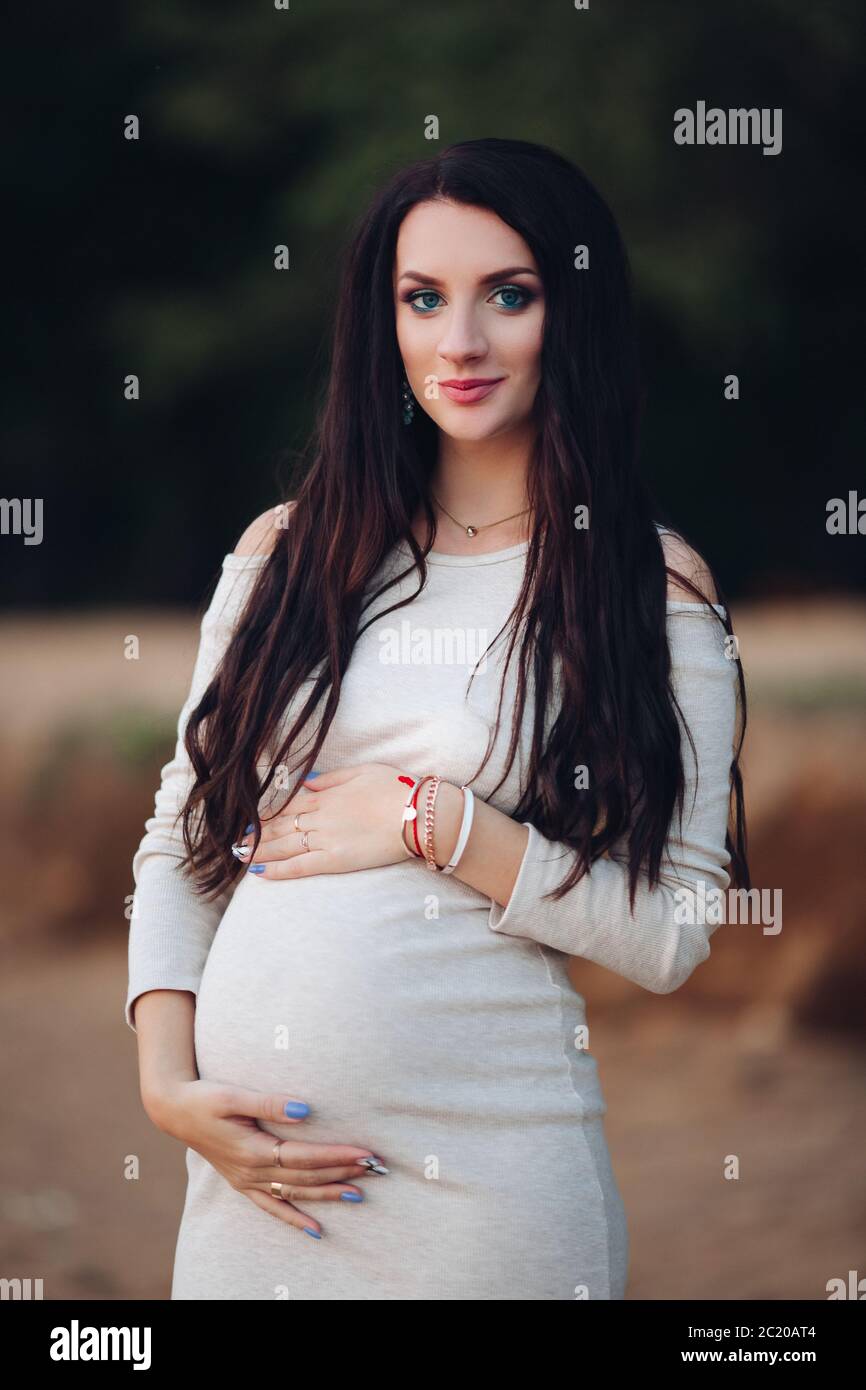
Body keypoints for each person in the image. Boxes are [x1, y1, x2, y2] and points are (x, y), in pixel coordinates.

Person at [126, 137, 748, 1300]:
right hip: (253, 1190)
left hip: (488, 1200)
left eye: (506, 295)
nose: (458, 343)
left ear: (573, 312)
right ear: (384, 322)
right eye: (423, 299)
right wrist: (167, 1089)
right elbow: (182, 843)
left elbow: (670, 931)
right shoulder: (283, 553)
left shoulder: (642, 586)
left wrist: (432, 819)